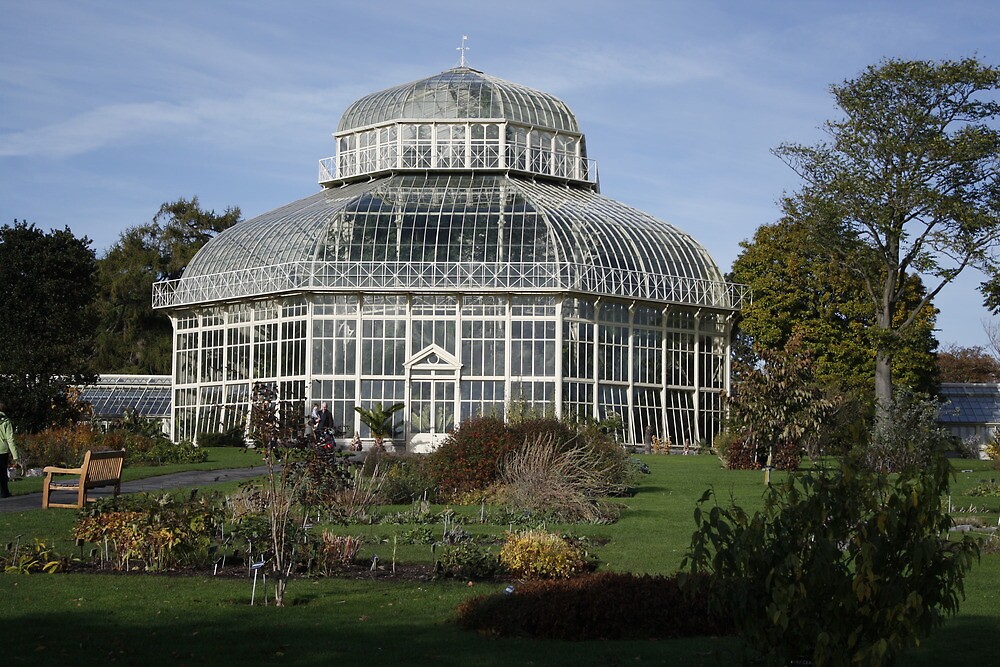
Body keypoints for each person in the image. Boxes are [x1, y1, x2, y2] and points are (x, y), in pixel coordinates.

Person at [0, 401, 20, 499]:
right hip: (2, 449)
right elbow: (10, 439)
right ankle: (4, 492)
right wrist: (15, 455)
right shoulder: (6, 421)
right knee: (2, 473)